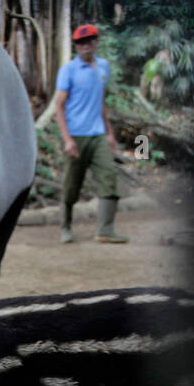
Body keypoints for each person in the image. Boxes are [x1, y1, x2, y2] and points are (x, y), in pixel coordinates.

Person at [55, 23, 125, 244]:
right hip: (76, 136)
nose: (85, 46)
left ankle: (105, 230)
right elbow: (59, 106)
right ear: (76, 46)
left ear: (96, 42)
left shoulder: (103, 67)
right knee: (70, 185)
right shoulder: (69, 70)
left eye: (89, 41)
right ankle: (65, 228)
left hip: (98, 135)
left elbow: (101, 102)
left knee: (109, 178)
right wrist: (67, 139)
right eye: (80, 42)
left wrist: (110, 133)